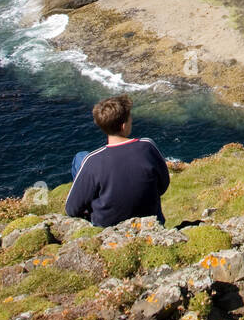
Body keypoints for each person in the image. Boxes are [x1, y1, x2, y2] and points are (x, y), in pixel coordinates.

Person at [66, 95, 170, 228]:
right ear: (124, 125)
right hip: (151, 221)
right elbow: (163, 184)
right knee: (82, 158)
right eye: (130, 117)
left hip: (107, 228)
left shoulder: (92, 161)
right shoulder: (147, 146)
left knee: (80, 157)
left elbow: (71, 209)